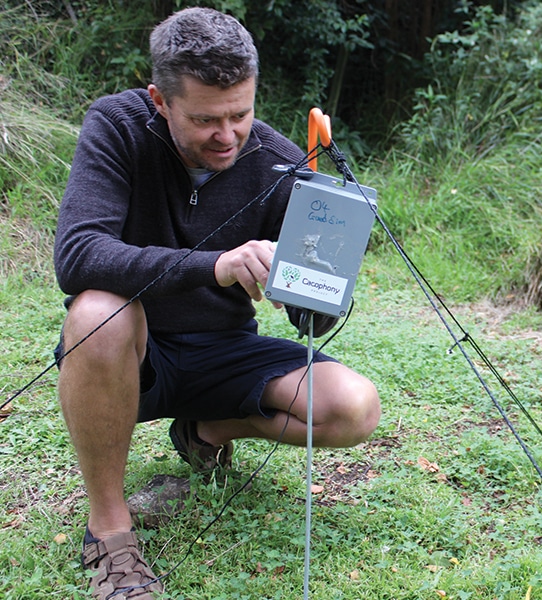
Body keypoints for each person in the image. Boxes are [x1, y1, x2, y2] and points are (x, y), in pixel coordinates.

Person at [53, 7, 381, 599]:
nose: (228, 136)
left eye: (241, 114)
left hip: (223, 351)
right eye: (206, 119)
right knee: (96, 310)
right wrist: (217, 265)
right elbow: (77, 255)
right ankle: (110, 533)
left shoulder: (280, 159)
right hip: (132, 348)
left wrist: (322, 272)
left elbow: (315, 318)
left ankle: (203, 430)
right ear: (160, 100)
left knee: (353, 407)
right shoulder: (118, 126)